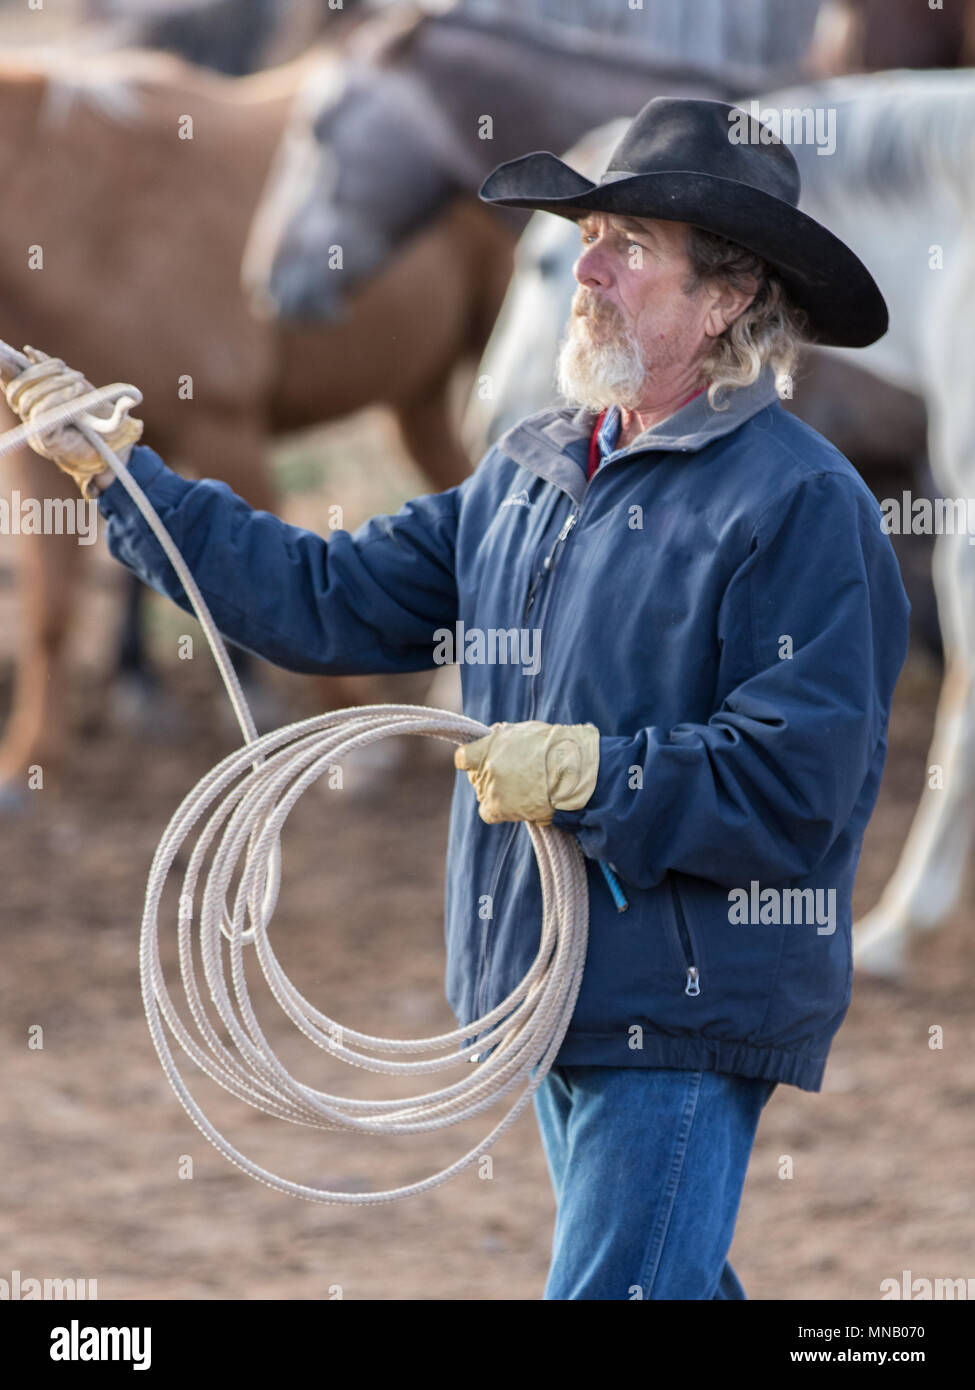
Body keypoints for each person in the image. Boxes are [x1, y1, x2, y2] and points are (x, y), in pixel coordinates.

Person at [4, 97, 910, 1300]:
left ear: (729, 296)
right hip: (544, 984)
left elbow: (800, 784)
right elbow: (327, 597)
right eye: (592, 237)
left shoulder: (803, 506)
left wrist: (594, 773)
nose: (583, 266)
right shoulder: (533, 466)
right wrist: (124, 478)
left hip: (680, 1010)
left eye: (630, 245)